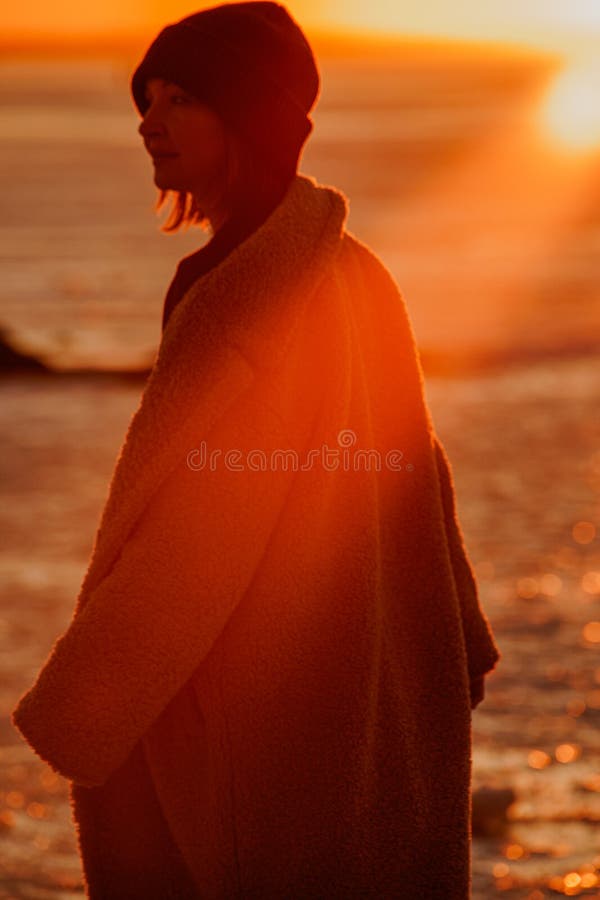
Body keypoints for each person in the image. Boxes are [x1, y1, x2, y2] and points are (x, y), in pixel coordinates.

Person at [12, 3, 500, 898]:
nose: (148, 122)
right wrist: (452, 640)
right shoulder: (353, 268)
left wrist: (85, 703)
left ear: (251, 118)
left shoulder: (235, 293)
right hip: (351, 688)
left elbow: (202, 531)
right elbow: (418, 470)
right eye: (148, 97)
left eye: (182, 99)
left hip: (252, 710)